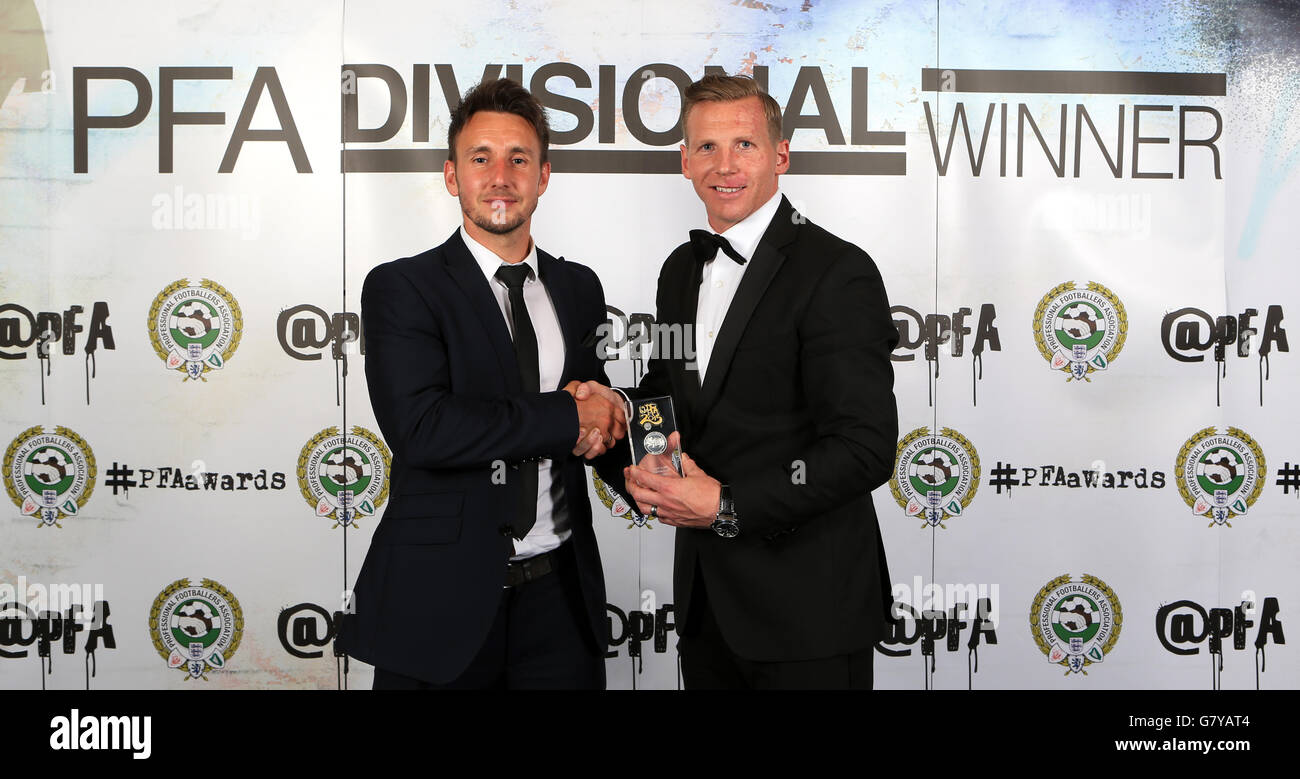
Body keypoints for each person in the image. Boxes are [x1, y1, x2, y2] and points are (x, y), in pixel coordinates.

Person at [587, 74, 899, 689]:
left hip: (810, 614)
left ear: (780, 155)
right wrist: (614, 410)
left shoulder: (838, 272)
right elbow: (669, 396)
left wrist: (727, 504)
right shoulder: (681, 268)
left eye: (744, 145)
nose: (723, 165)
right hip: (708, 607)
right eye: (706, 147)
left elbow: (864, 449)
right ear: (683, 160)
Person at [337, 78, 626, 689]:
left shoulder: (579, 288)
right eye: (481, 158)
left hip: (560, 604)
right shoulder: (402, 287)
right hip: (438, 607)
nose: (501, 175)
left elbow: (594, 412)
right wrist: (568, 418)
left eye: (519, 158)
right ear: (451, 176)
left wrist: (641, 456)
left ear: (543, 175)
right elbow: (424, 430)